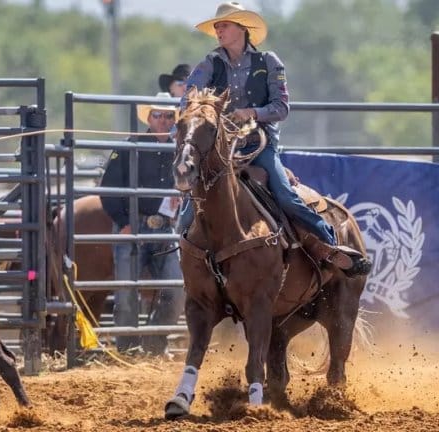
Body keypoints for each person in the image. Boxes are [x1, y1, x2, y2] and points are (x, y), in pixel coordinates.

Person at [178, 2, 369, 276]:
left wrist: (252, 112)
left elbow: (281, 108)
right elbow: (189, 97)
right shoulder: (210, 63)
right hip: (221, 149)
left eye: (224, 25)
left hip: (259, 144)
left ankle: (331, 244)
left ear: (242, 29)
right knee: (189, 206)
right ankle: (190, 265)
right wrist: (193, 118)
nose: (218, 30)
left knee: (286, 195)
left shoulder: (268, 62)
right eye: (217, 26)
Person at [99, 92, 186, 355]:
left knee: (176, 290)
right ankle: (126, 348)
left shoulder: (182, 149)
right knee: (126, 295)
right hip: (133, 226)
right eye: (157, 115)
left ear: (175, 119)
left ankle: (154, 343)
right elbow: (108, 188)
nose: (163, 120)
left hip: (165, 228)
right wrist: (123, 221)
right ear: (148, 118)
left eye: (169, 115)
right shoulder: (129, 146)